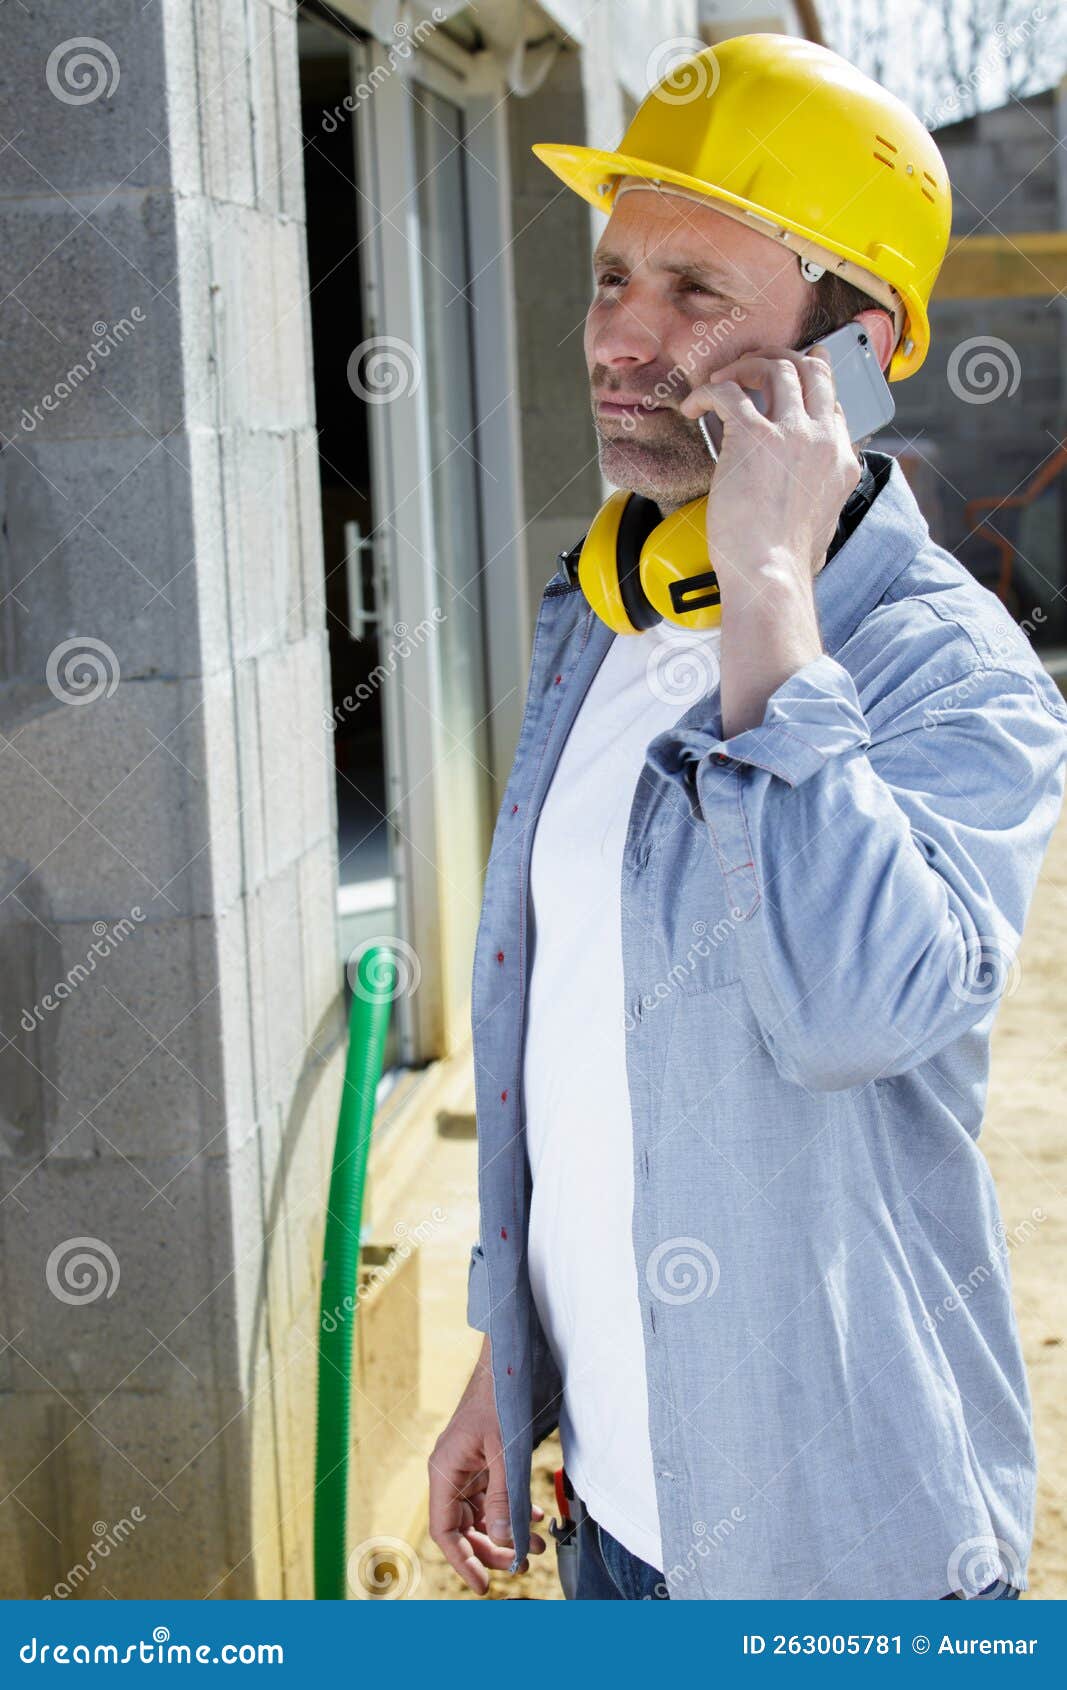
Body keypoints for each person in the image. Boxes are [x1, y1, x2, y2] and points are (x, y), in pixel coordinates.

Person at [428, 33, 1067, 1601]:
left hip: (840, 1554)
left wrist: (775, 589)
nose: (620, 334)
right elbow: (581, 1050)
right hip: (615, 1524)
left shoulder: (952, 674)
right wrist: (509, 1358)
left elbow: (854, 1012)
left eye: (697, 292)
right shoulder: (601, 620)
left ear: (856, 349)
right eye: (613, 276)